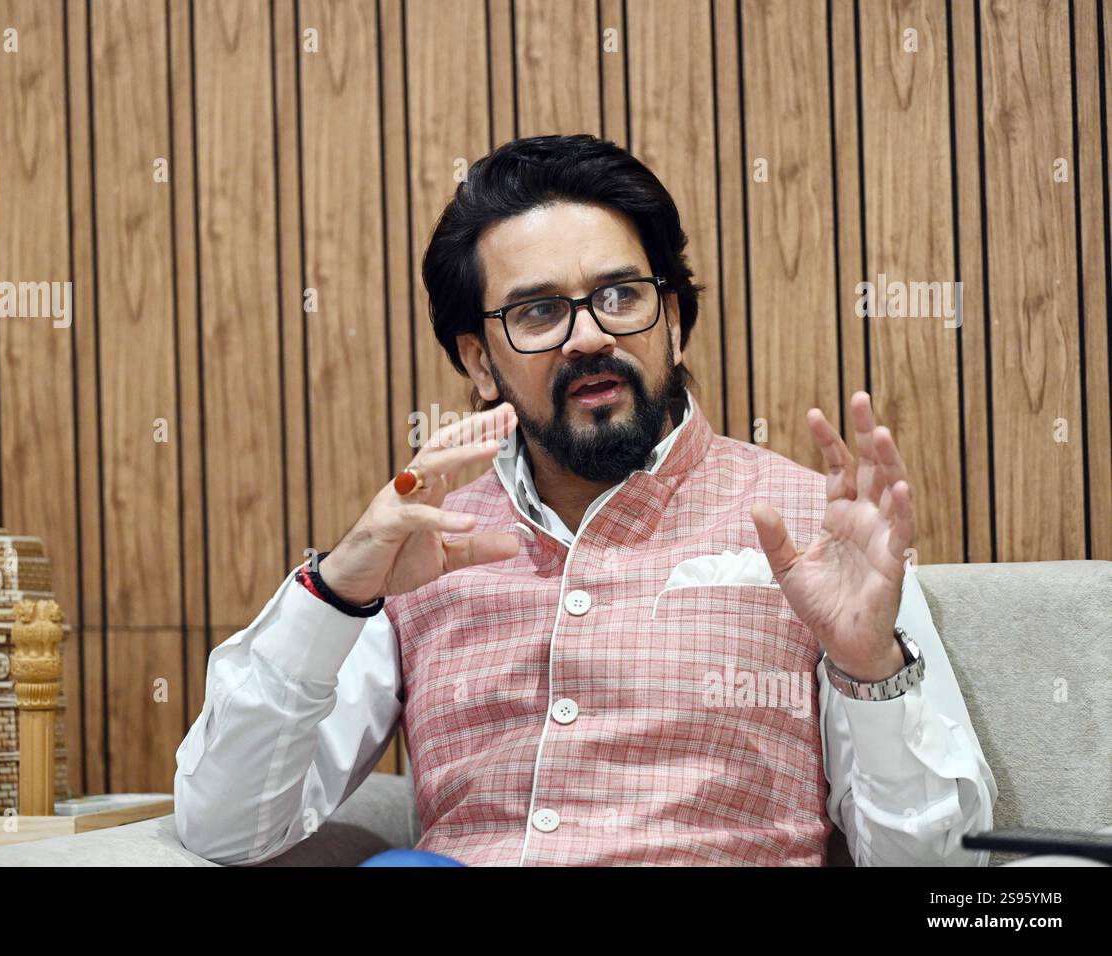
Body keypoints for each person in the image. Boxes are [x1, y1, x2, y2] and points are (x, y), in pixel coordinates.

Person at [174, 134, 996, 866]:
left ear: (671, 320)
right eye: (538, 312)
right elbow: (228, 830)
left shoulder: (819, 531)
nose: (589, 336)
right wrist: (336, 590)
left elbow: (940, 869)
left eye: (621, 295)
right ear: (480, 362)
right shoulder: (423, 549)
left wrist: (868, 667)